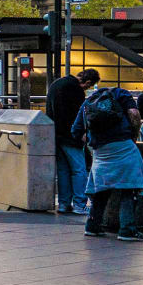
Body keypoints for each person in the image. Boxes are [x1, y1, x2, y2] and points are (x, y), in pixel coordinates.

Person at [79, 74, 143, 242]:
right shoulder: (122, 94)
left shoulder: (89, 101)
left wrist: (95, 142)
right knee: (128, 187)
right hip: (123, 146)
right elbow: (134, 114)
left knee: (101, 189)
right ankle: (127, 230)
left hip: (100, 150)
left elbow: (77, 130)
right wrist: (133, 135)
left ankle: (92, 226)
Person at [46, 69, 88, 215]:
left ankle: (64, 204)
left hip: (55, 134)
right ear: (87, 82)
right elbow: (80, 114)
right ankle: (79, 204)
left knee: (63, 170)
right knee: (79, 169)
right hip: (71, 137)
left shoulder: (56, 84)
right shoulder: (76, 90)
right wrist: (82, 133)